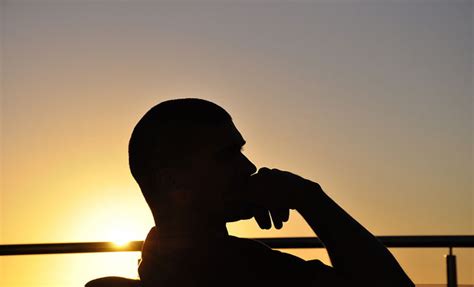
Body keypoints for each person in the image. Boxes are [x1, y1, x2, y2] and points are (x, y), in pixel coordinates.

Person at [128, 98, 414, 287]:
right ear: (175, 181)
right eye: (227, 155)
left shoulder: (156, 264)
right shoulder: (247, 269)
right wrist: (309, 198)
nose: (248, 166)